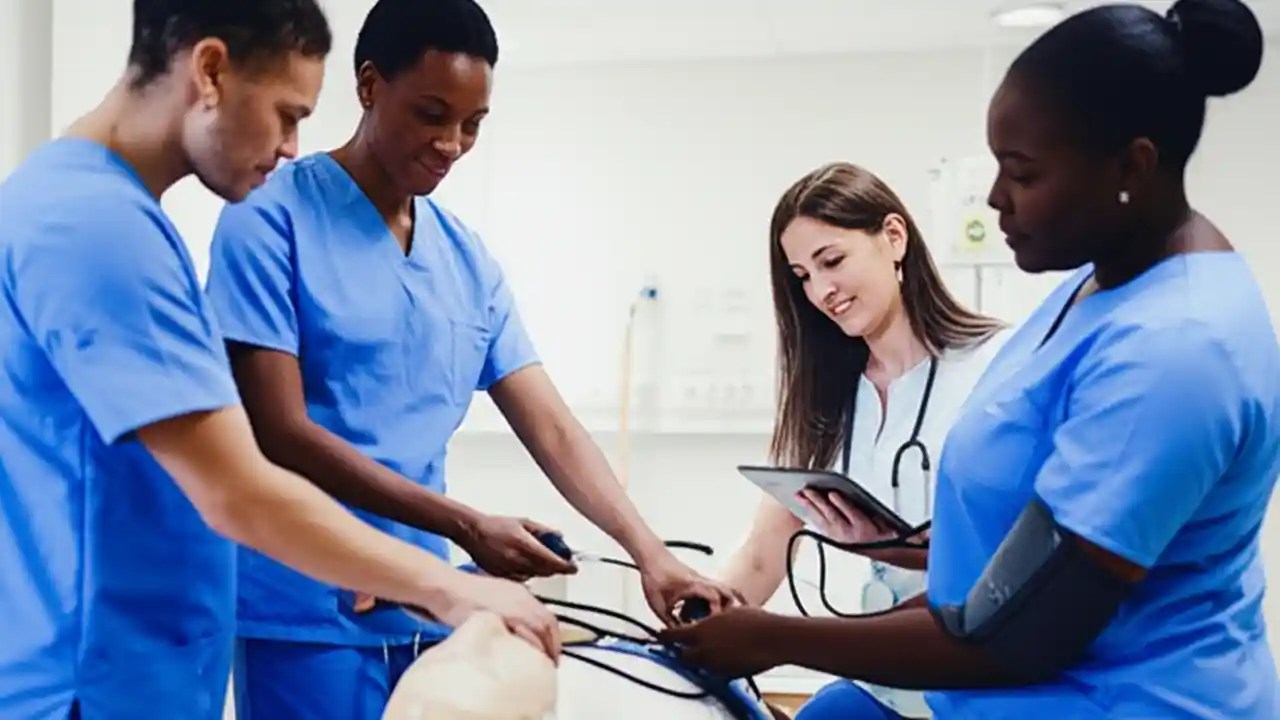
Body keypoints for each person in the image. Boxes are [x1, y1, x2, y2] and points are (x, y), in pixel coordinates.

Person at [660, 1, 1279, 718]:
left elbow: (1025, 631)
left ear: (1129, 167)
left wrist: (779, 639)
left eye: (1022, 172)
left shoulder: (1178, 347)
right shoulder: (1098, 287)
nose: (992, 199)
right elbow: (1003, 581)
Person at [0, 3, 560, 720]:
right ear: (209, 72)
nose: (293, 147)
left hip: (136, 671)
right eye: (286, 114)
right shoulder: (96, 227)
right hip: (93, 680)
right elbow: (237, 486)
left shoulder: (95, 208)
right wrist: (451, 584)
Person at [203, 1, 739, 716]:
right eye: (431, 113)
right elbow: (280, 430)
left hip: (429, 604)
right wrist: (465, 524)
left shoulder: (465, 259)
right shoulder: (268, 219)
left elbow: (551, 427)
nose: (451, 143)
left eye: (473, 125)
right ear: (369, 85)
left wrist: (651, 554)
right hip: (307, 602)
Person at [718, 162, 1006, 719]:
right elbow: (760, 556)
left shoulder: (999, 367)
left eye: (832, 261)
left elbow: (1024, 560)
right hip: (881, 681)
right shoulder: (824, 396)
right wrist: (694, 621)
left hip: (978, 676)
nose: (821, 290)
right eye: (802, 276)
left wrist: (902, 549)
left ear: (893, 238)